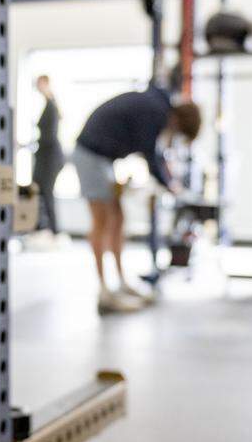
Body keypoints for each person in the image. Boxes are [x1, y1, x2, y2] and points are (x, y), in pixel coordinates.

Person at [72, 85, 202, 313]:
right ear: (179, 123)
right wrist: (170, 185)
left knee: (118, 219)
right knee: (101, 222)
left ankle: (121, 282)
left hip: (104, 159)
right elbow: (151, 156)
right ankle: (103, 291)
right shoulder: (156, 113)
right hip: (90, 154)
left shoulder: (158, 105)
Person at [32, 75, 64, 235]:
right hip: (45, 154)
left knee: (46, 191)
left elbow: (49, 136)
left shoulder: (51, 106)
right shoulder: (49, 105)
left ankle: (54, 231)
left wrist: (32, 144)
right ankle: (44, 228)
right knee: (40, 192)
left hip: (50, 156)